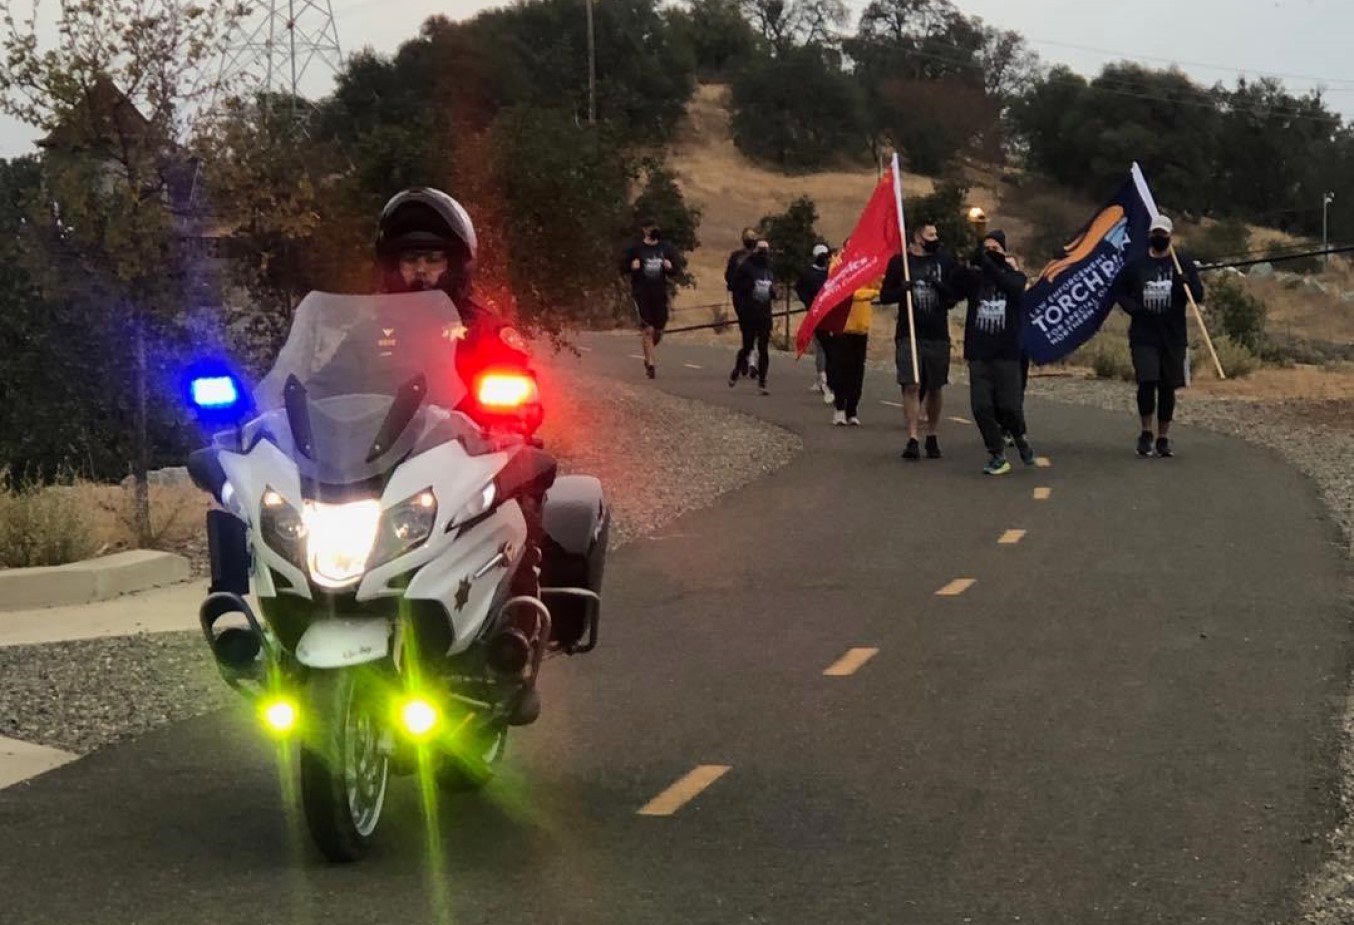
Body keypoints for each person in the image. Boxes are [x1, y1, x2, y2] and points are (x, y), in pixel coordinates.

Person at [1111, 214, 1203, 458]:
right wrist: (1133, 307)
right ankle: (1145, 431)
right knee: (1147, 380)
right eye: (1156, 234)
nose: (1159, 238)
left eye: (1163, 234)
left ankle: (1163, 436)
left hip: (1172, 336)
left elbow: (1198, 295)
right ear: (1150, 235)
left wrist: (1186, 282)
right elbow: (1118, 290)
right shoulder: (1137, 264)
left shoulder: (1182, 263)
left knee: (1167, 387)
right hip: (1144, 334)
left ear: (1170, 236)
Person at [951, 230, 1034, 475]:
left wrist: (993, 266)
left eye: (994, 249)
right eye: (986, 248)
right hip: (980, 354)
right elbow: (954, 283)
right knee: (981, 407)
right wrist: (968, 261)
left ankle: (1019, 437)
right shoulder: (976, 280)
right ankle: (997, 453)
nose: (989, 254)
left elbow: (1014, 289)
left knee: (1009, 407)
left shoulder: (1016, 277)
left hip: (1007, 354)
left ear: (1004, 252)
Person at [880, 223, 959, 460]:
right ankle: (913, 437)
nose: (935, 238)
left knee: (935, 386)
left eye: (936, 234)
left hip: (936, 333)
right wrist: (901, 290)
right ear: (917, 237)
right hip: (909, 333)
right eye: (930, 234)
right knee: (911, 384)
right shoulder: (900, 263)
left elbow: (953, 298)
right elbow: (885, 296)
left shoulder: (945, 262)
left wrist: (938, 285)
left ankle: (932, 433)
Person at [620, 218, 679, 379]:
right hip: (642, 293)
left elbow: (675, 269)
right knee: (648, 329)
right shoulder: (636, 248)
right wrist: (632, 267)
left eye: (656, 227)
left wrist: (670, 267)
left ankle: (649, 349)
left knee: (658, 330)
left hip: (659, 294)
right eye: (650, 227)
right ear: (644, 230)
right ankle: (650, 364)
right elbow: (622, 267)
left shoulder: (665, 248)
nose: (654, 230)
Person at [829, 275, 878, 426]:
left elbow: (877, 285)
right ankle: (839, 408)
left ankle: (852, 410)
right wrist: (870, 293)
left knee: (857, 371)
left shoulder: (867, 269)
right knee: (842, 369)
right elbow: (846, 293)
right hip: (843, 327)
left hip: (861, 328)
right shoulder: (839, 264)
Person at [729, 238, 776, 394]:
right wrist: (747, 291)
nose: (763, 253)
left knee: (763, 348)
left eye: (766, 250)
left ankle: (762, 382)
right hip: (749, 312)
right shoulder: (746, 266)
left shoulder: (769, 268)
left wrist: (772, 292)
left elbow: (771, 286)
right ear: (756, 250)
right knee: (748, 346)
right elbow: (734, 285)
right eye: (761, 249)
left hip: (764, 313)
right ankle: (736, 370)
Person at [796, 243, 834, 404]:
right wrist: (810, 304)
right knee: (821, 346)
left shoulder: (829, 273)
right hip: (816, 313)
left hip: (829, 313)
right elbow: (800, 289)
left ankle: (825, 376)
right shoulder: (809, 274)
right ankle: (822, 375)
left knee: (827, 346)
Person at [726, 227, 762, 380]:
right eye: (748, 236)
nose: (750, 239)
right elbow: (729, 275)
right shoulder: (737, 256)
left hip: (757, 297)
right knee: (746, 328)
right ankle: (749, 360)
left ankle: (749, 359)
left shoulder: (760, 257)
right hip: (741, 297)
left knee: (755, 329)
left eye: (753, 236)